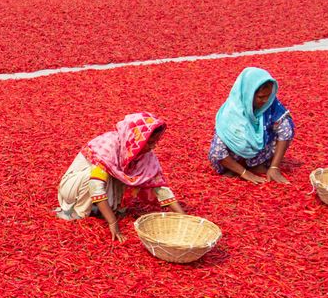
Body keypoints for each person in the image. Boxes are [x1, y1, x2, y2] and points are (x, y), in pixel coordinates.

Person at [55, 113, 185, 242]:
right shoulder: (108, 145)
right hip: (73, 188)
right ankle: (77, 212)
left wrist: (184, 218)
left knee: (133, 177)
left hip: (98, 188)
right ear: (136, 138)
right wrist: (112, 222)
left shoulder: (145, 155)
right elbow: (95, 185)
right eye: (149, 142)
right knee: (93, 176)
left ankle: (98, 209)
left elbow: (159, 185)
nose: (153, 147)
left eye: (155, 142)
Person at [209, 67, 294, 184]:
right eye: (261, 97)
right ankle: (237, 168)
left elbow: (286, 131)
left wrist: (274, 167)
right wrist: (244, 173)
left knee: (285, 125)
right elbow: (217, 152)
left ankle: (256, 164)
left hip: (259, 155)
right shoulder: (232, 112)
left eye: (269, 96)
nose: (266, 101)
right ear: (248, 94)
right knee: (228, 145)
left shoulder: (271, 104)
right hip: (233, 156)